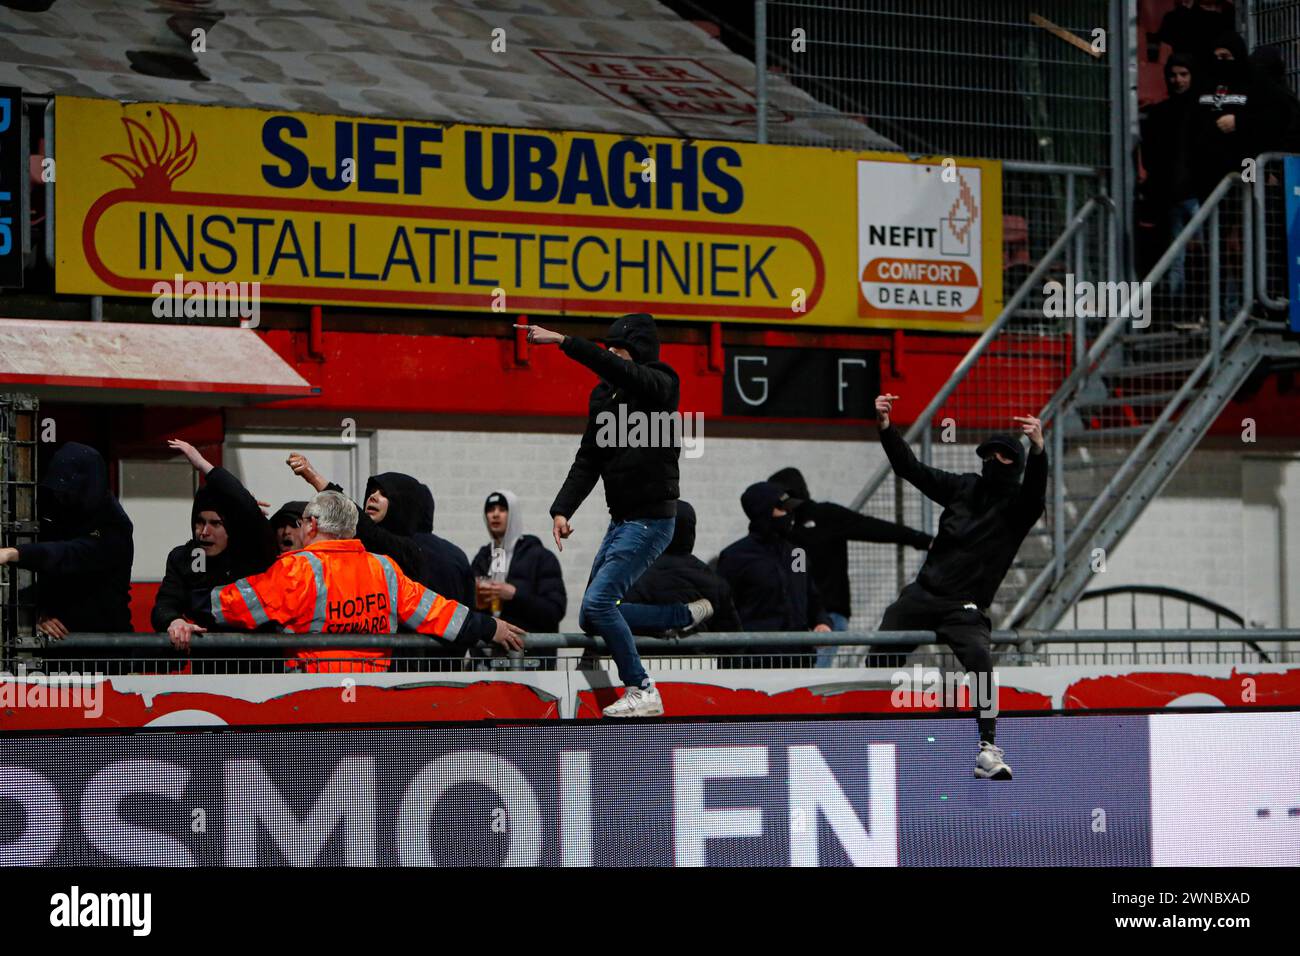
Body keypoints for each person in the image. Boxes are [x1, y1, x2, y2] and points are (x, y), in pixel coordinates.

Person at [873, 393, 1046, 781]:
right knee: (881, 650)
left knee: (982, 665)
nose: (992, 461)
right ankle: (864, 719)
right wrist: (886, 427)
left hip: (963, 606)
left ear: (1015, 464)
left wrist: (1038, 449)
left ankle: (987, 748)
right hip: (923, 594)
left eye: (1002, 456)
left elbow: (1036, 490)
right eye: (988, 455)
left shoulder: (1020, 507)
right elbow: (910, 468)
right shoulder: (963, 487)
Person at [518, 313, 680, 718]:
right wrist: (562, 509)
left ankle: (643, 688)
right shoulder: (604, 398)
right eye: (607, 347)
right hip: (622, 519)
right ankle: (680, 616)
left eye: (618, 348)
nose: (610, 354)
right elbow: (589, 458)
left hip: (652, 519)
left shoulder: (661, 384)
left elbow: (620, 369)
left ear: (637, 352)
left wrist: (563, 341)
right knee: (593, 614)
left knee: (601, 602)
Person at [202, 490, 523, 672]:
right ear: (353, 528)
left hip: (308, 702)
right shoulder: (383, 569)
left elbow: (224, 607)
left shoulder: (295, 570)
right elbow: (439, 612)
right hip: (373, 700)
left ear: (311, 524)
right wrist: (492, 627)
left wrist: (181, 608)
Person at [767, 467, 931, 666]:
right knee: (800, 678)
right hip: (797, 617)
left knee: (810, 679)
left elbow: (872, 527)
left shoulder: (825, 516)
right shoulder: (780, 531)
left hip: (828, 613)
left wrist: (921, 539)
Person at [288, 457, 474, 607]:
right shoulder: (359, 543)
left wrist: (314, 478)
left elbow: (368, 531)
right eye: (372, 491)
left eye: (384, 493)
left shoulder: (409, 550)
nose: (373, 497)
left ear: (401, 504)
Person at [151, 439, 278, 650]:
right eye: (200, 522)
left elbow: (246, 508)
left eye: (215, 523)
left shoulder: (254, 552)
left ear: (232, 526)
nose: (204, 532)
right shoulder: (184, 557)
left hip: (261, 670)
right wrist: (174, 621)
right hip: (209, 673)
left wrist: (203, 465)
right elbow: (165, 604)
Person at [0, 442, 133, 636]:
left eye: (67, 493)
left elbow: (70, 554)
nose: (60, 499)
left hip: (105, 644)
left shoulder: (114, 525)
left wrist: (14, 553)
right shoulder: (60, 514)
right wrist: (39, 612)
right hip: (60, 643)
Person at [717, 482, 833, 666]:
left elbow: (812, 598)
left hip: (799, 660)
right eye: (782, 509)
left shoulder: (797, 554)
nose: (790, 515)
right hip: (754, 664)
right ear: (763, 512)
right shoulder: (735, 556)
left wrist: (822, 623)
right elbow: (723, 610)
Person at [469, 490, 567, 666]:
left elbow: (554, 611)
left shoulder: (540, 557)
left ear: (513, 514)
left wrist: (514, 594)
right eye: (490, 510)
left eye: (502, 509)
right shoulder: (483, 558)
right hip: (485, 664)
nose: (495, 514)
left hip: (531, 664)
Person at [623, 499, 739, 639]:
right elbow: (732, 637)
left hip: (643, 657)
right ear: (691, 532)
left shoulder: (634, 574)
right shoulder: (712, 579)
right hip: (701, 658)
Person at [1140, 52, 1202, 310]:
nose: (1178, 80)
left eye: (1183, 75)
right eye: (1173, 75)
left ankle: (1209, 310)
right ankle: (1178, 309)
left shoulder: (1202, 111)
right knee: (1176, 257)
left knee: (1205, 253)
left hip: (1200, 193)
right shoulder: (1161, 113)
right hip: (1172, 194)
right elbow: (1152, 153)